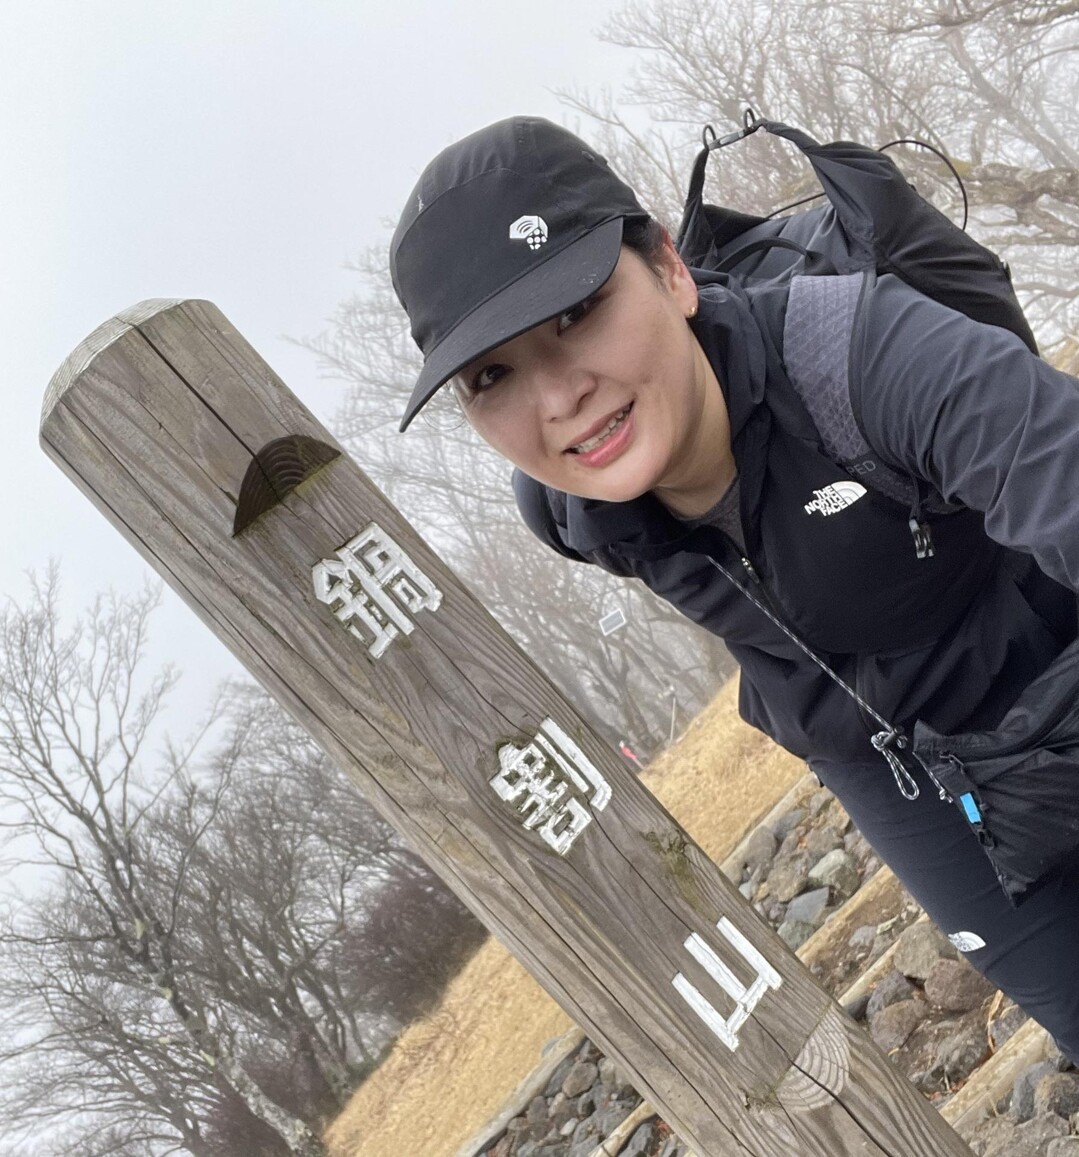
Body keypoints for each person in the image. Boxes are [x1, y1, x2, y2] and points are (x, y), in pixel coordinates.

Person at [389, 116, 1079, 1060]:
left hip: (1038, 645)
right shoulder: (572, 515)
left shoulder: (865, 356)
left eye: (576, 311)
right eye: (492, 375)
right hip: (885, 759)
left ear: (670, 272)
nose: (558, 399)